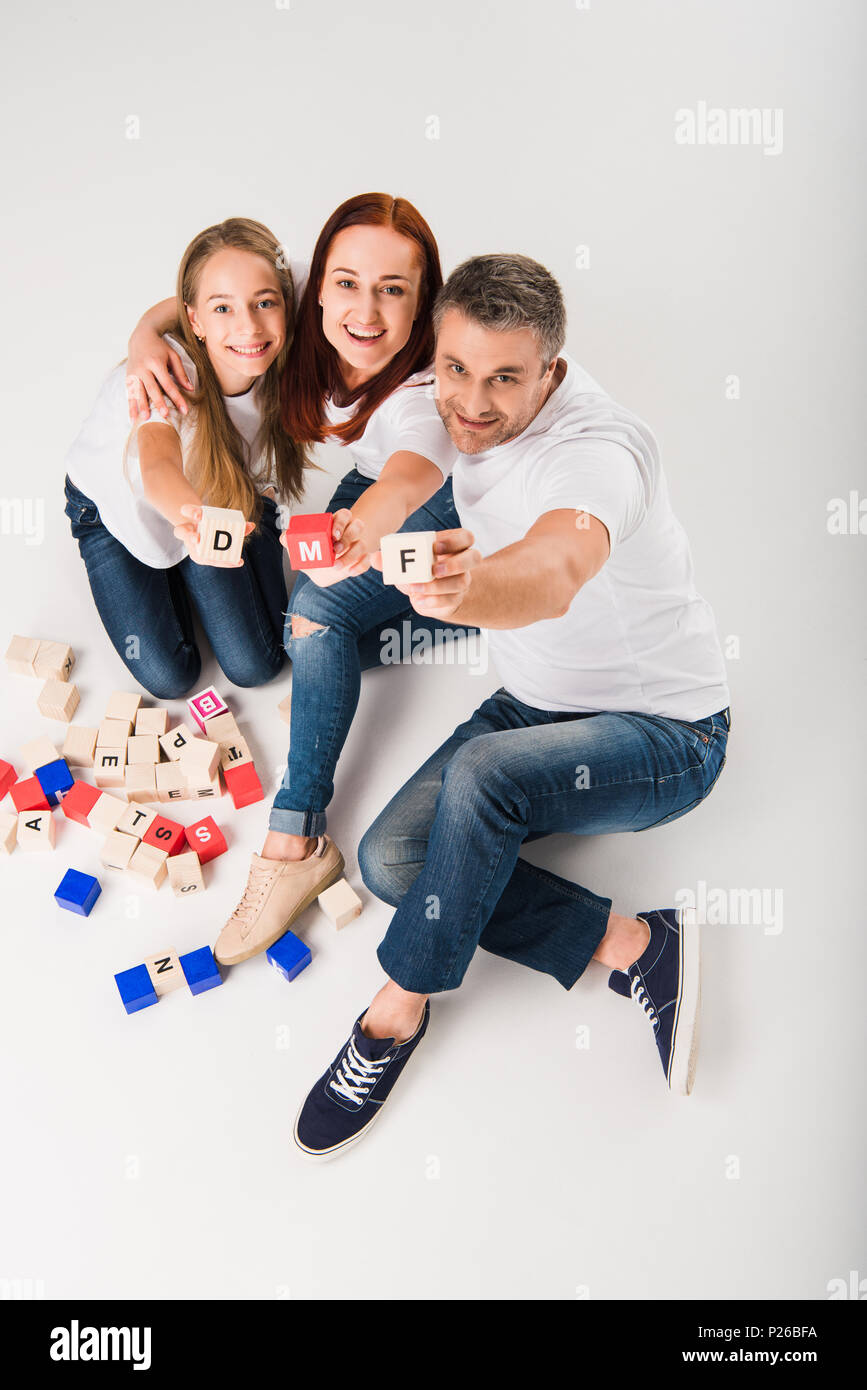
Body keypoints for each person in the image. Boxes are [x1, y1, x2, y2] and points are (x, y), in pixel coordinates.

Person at [290, 253, 733, 1158]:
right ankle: (632, 944)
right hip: (537, 702)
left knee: (485, 779)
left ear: (552, 372)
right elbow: (414, 467)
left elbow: (554, 571)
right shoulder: (451, 392)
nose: (473, 403)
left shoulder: (598, 454)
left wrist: (468, 590)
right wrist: (366, 525)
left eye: (504, 379)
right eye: (455, 370)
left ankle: (393, 1014)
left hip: (663, 734)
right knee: (389, 860)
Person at [123, 194, 471, 954]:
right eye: (346, 284)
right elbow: (213, 296)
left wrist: (369, 527)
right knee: (303, 630)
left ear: (425, 301)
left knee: (314, 617)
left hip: (445, 503)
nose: (365, 311)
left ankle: (295, 841)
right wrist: (147, 333)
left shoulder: (423, 395)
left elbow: (414, 472)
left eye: (394, 290)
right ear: (316, 287)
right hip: (368, 485)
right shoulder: (303, 303)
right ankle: (414, 628)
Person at [64, 217, 308, 698]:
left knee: (257, 665)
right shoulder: (166, 373)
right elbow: (157, 463)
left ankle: (227, 532)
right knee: (170, 678)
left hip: (215, 485)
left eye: (265, 303)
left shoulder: (282, 312)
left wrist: (145, 324)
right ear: (193, 319)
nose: (249, 327)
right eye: (223, 308)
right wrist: (191, 519)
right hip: (118, 510)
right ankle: (177, 562)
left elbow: (331, 288)